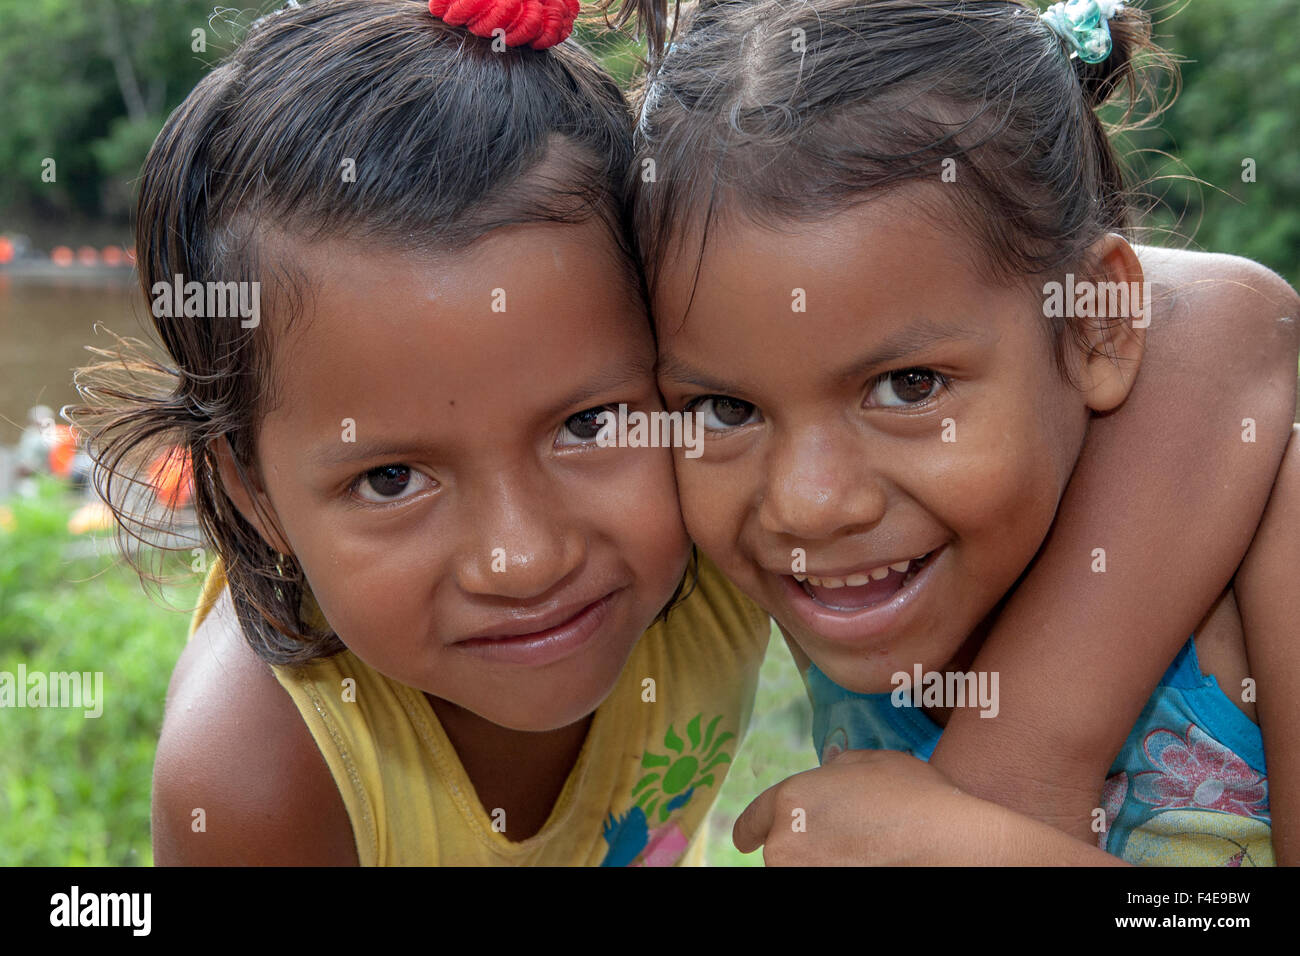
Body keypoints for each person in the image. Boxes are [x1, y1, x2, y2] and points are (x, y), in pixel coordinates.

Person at [71, 0, 771, 866]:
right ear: (257, 500)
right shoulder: (258, 779)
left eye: (587, 426)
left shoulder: (746, 534)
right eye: (392, 478)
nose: (523, 559)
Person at [628, 0, 1300, 863]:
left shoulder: (1267, 535)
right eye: (727, 410)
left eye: (908, 388)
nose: (810, 504)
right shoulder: (853, 582)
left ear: (1096, 325)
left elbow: (1234, 315)